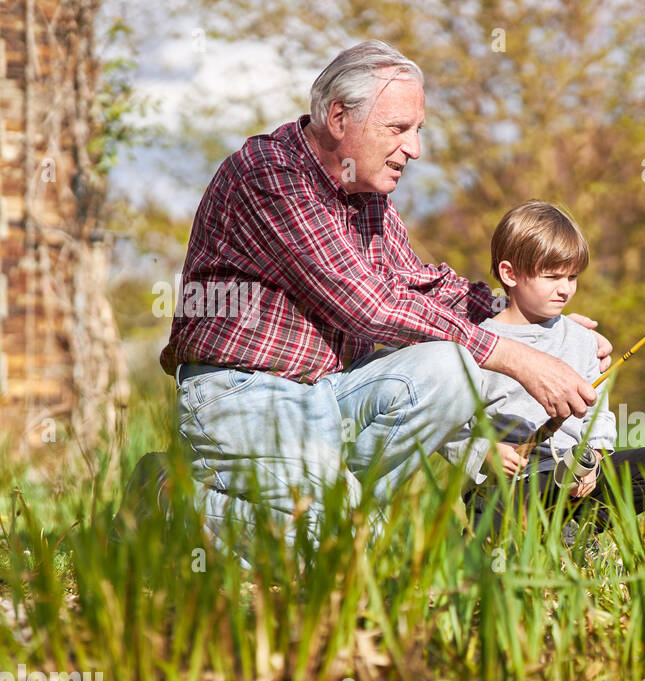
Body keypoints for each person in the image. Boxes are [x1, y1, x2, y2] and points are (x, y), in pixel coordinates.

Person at [123, 40, 613, 555]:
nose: (415, 149)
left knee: (453, 365)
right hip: (242, 394)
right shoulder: (269, 173)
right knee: (337, 543)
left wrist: (529, 322)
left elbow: (422, 286)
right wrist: (517, 356)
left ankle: (350, 521)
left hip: (331, 392)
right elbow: (366, 303)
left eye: (418, 130)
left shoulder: (369, 198)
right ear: (339, 117)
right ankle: (165, 500)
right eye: (399, 129)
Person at [442, 201, 645, 542]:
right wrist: (486, 452)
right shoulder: (480, 344)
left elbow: (599, 415)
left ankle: (572, 533)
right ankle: (527, 535)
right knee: (494, 528)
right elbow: (445, 425)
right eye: (552, 277)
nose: (565, 289)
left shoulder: (583, 341)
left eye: (572, 277)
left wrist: (593, 458)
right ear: (510, 274)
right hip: (510, 487)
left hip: (570, 479)